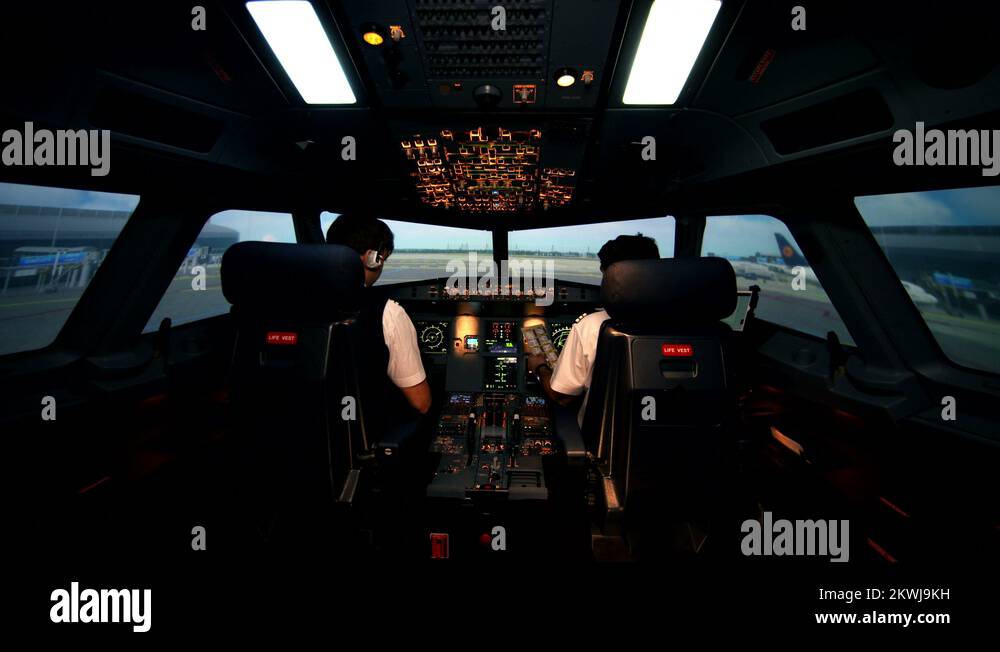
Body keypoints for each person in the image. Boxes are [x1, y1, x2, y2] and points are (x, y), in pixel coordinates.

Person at [526, 234, 659, 424]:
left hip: (603, 447)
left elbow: (562, 396)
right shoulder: (693, 324)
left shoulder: (593, 326)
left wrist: (539, 367)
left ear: (615, 276)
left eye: (604, 273)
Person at [326, 213, 432, 415]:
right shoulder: (388, 312)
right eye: (383, 257)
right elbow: (421, 403)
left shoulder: (279, 302)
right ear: (372, 258)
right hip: (365, 434)